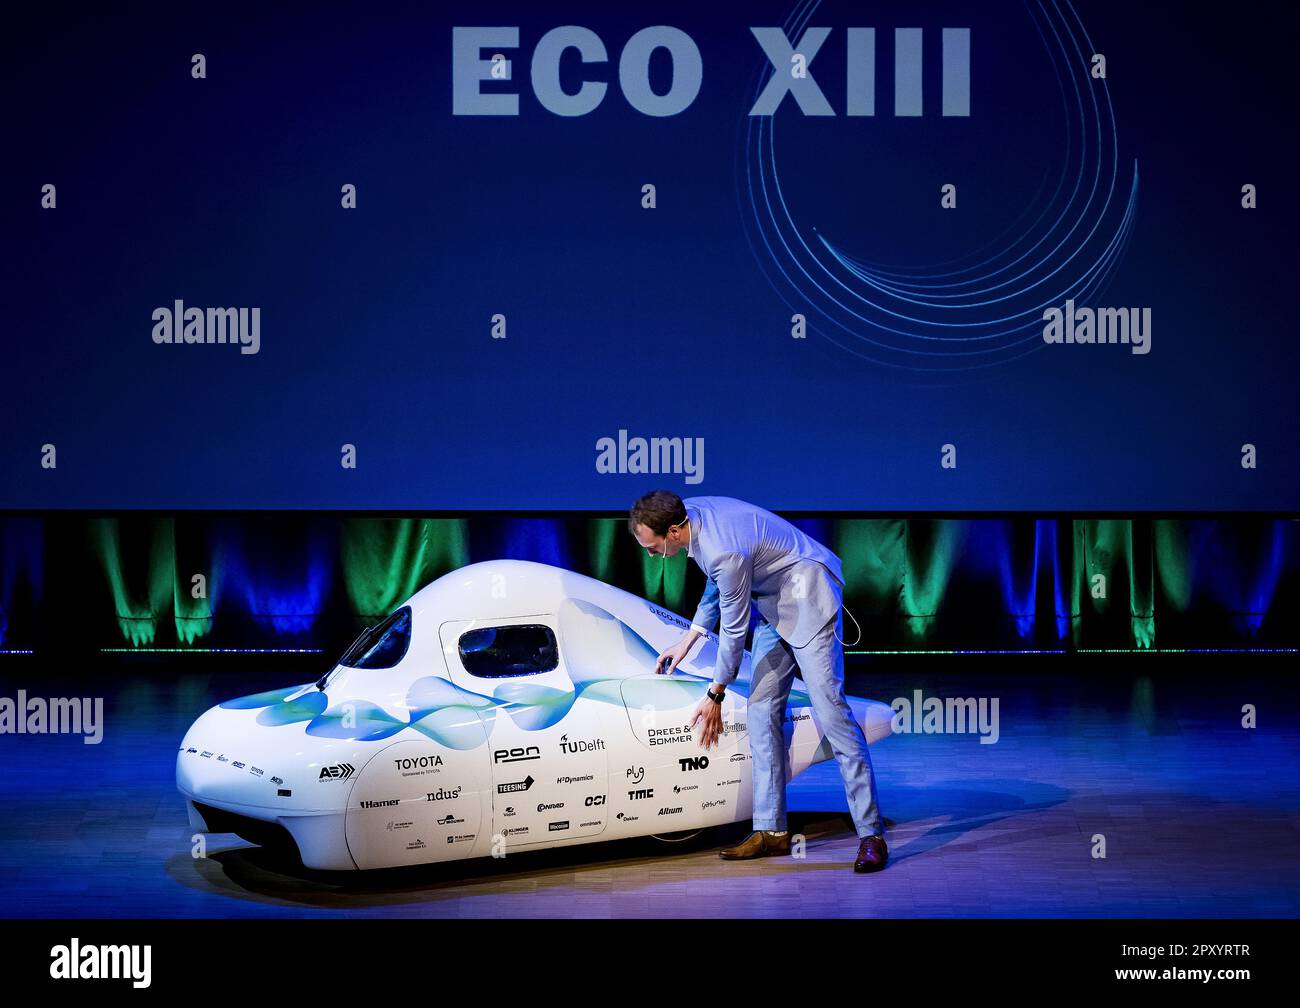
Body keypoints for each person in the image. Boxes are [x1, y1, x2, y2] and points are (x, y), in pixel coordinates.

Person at [628, 490, 888, 873]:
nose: (652, 555)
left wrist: (715, 692)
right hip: (774, 602)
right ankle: (772, 831)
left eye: (654, 548)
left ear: (674, 530)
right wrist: (688, 639)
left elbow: (733, 631)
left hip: (809, 593)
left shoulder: (723, 550)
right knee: (762, 707)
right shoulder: (692, 516)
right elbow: (716, 585)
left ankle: (872, 835)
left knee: (831, 713)